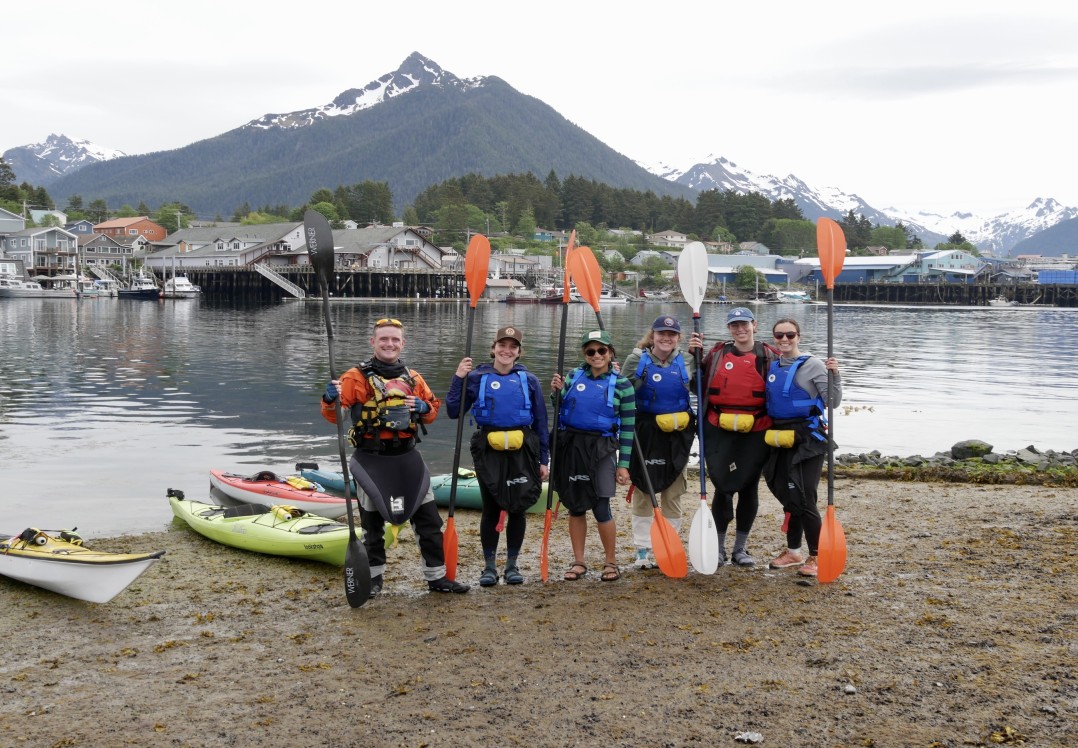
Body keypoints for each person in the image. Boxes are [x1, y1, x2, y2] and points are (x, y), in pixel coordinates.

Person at [321, 317, 469, 597]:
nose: (390, 344)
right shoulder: (354, 378)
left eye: (395, 340)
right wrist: (330, 399)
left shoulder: (413, 378)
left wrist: (424, 406)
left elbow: (432, 412)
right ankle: (374, 580)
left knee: (428, 521)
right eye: (384, 339)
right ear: (373, 342)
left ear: (403, 344)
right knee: (372, 526)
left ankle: (438, 578)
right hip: (371, 460)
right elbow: (334, 418)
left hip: (407, 457)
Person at [445, 326, 550, 587]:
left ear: (518, 351)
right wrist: (459, 378)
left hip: (523, 448)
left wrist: (544, 459)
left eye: (512, 346)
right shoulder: (477, 376)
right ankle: (490, 567)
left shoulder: (530, 380)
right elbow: (453, 410)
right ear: (493, 348)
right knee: (491, 508)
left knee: (519, 506)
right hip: (487, 448)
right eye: (502, 345)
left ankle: (512, 565)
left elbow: (541, 421)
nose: (506, 350)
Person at [550, 330, 636, 582]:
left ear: (610, 354)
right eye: (591, 351)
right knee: (575, 507)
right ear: (585, 355)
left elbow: (629, 428)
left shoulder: (622, 385)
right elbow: (559, 405)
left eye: (602, 350)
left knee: (601, 507)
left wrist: (624, 465)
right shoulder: (572, 376)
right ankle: (579, 561)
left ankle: (611, 562)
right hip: (571, 446)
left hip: (602, 449)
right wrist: (556, 392)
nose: (596, 355)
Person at [699, 307, 780, 567]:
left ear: (755, 325)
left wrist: (827, 372)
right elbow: (695, 384)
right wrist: (693, 355)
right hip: (718, 426)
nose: (739, 329)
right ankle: (719, 548)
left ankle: (740, 549)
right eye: (734, 325)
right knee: (722, 486)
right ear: (729, 328)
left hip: (756, 430)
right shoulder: (716, 354)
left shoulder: (769, 355)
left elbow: (786, 382)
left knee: (749, 486)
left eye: (744, 324)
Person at [622, 315, 703, 569]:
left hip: (678, 434)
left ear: (678, 338)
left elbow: (703, 390)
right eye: (661, 333)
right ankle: (643, 550)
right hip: (645, 431)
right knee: (644, 491)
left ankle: (668, 546)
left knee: (672, 492)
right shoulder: (636, 359)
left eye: (671, 334)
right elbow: (622, 393)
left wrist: (703, 358)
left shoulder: (689, 360)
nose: (666, 338)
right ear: (653, 335)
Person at [762, 318, 842, 577]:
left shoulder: (814, 364)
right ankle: (794, 551)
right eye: (779, 335)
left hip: (808, 438)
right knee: (788, 494)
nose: (784, 340)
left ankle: (817, 556)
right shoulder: (774, 365)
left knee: (806, 496)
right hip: (779, 437)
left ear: (799, 336)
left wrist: (835, 375)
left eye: (790, 335)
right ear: (774, 337)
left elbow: (833, 401)